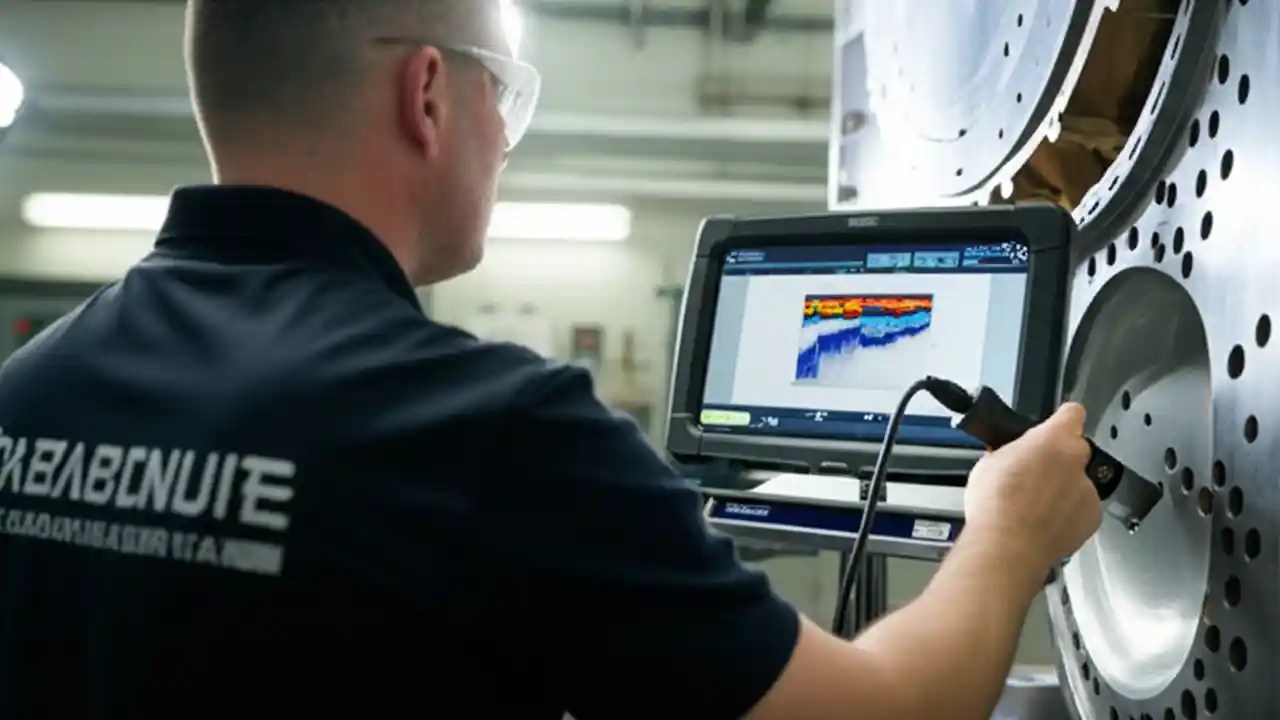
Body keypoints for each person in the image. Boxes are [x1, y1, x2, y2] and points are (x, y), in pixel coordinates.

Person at [0, 1, 1103, 718]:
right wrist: (1009, 529)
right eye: (505, 93)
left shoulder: (26, 393)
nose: (503, 136)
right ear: (427, 94)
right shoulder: (483, 431)